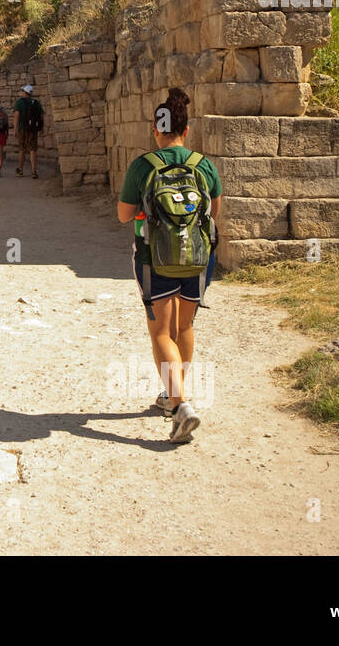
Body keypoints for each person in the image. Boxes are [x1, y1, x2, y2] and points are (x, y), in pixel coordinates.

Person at [115, 88, 221, 444]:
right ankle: (172, 396)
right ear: (186, 130)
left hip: (154, 258)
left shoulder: (143, 166)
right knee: (184, 327)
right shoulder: (203, 165)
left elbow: (123, 215)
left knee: (161, 331)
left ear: (155, 130)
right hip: (196, 259)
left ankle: (180, 406)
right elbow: (214, 213)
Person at [12, 85, 44, 178]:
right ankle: (34, 171)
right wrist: (42, 128)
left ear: (24, 92)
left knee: (22, 149)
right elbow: (41, 116)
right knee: (33, 150)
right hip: (33, 129)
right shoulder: (36, 103)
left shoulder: (19, 102)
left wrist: (15, 129)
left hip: (22, 129)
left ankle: (20, 171)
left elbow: (16, 116)